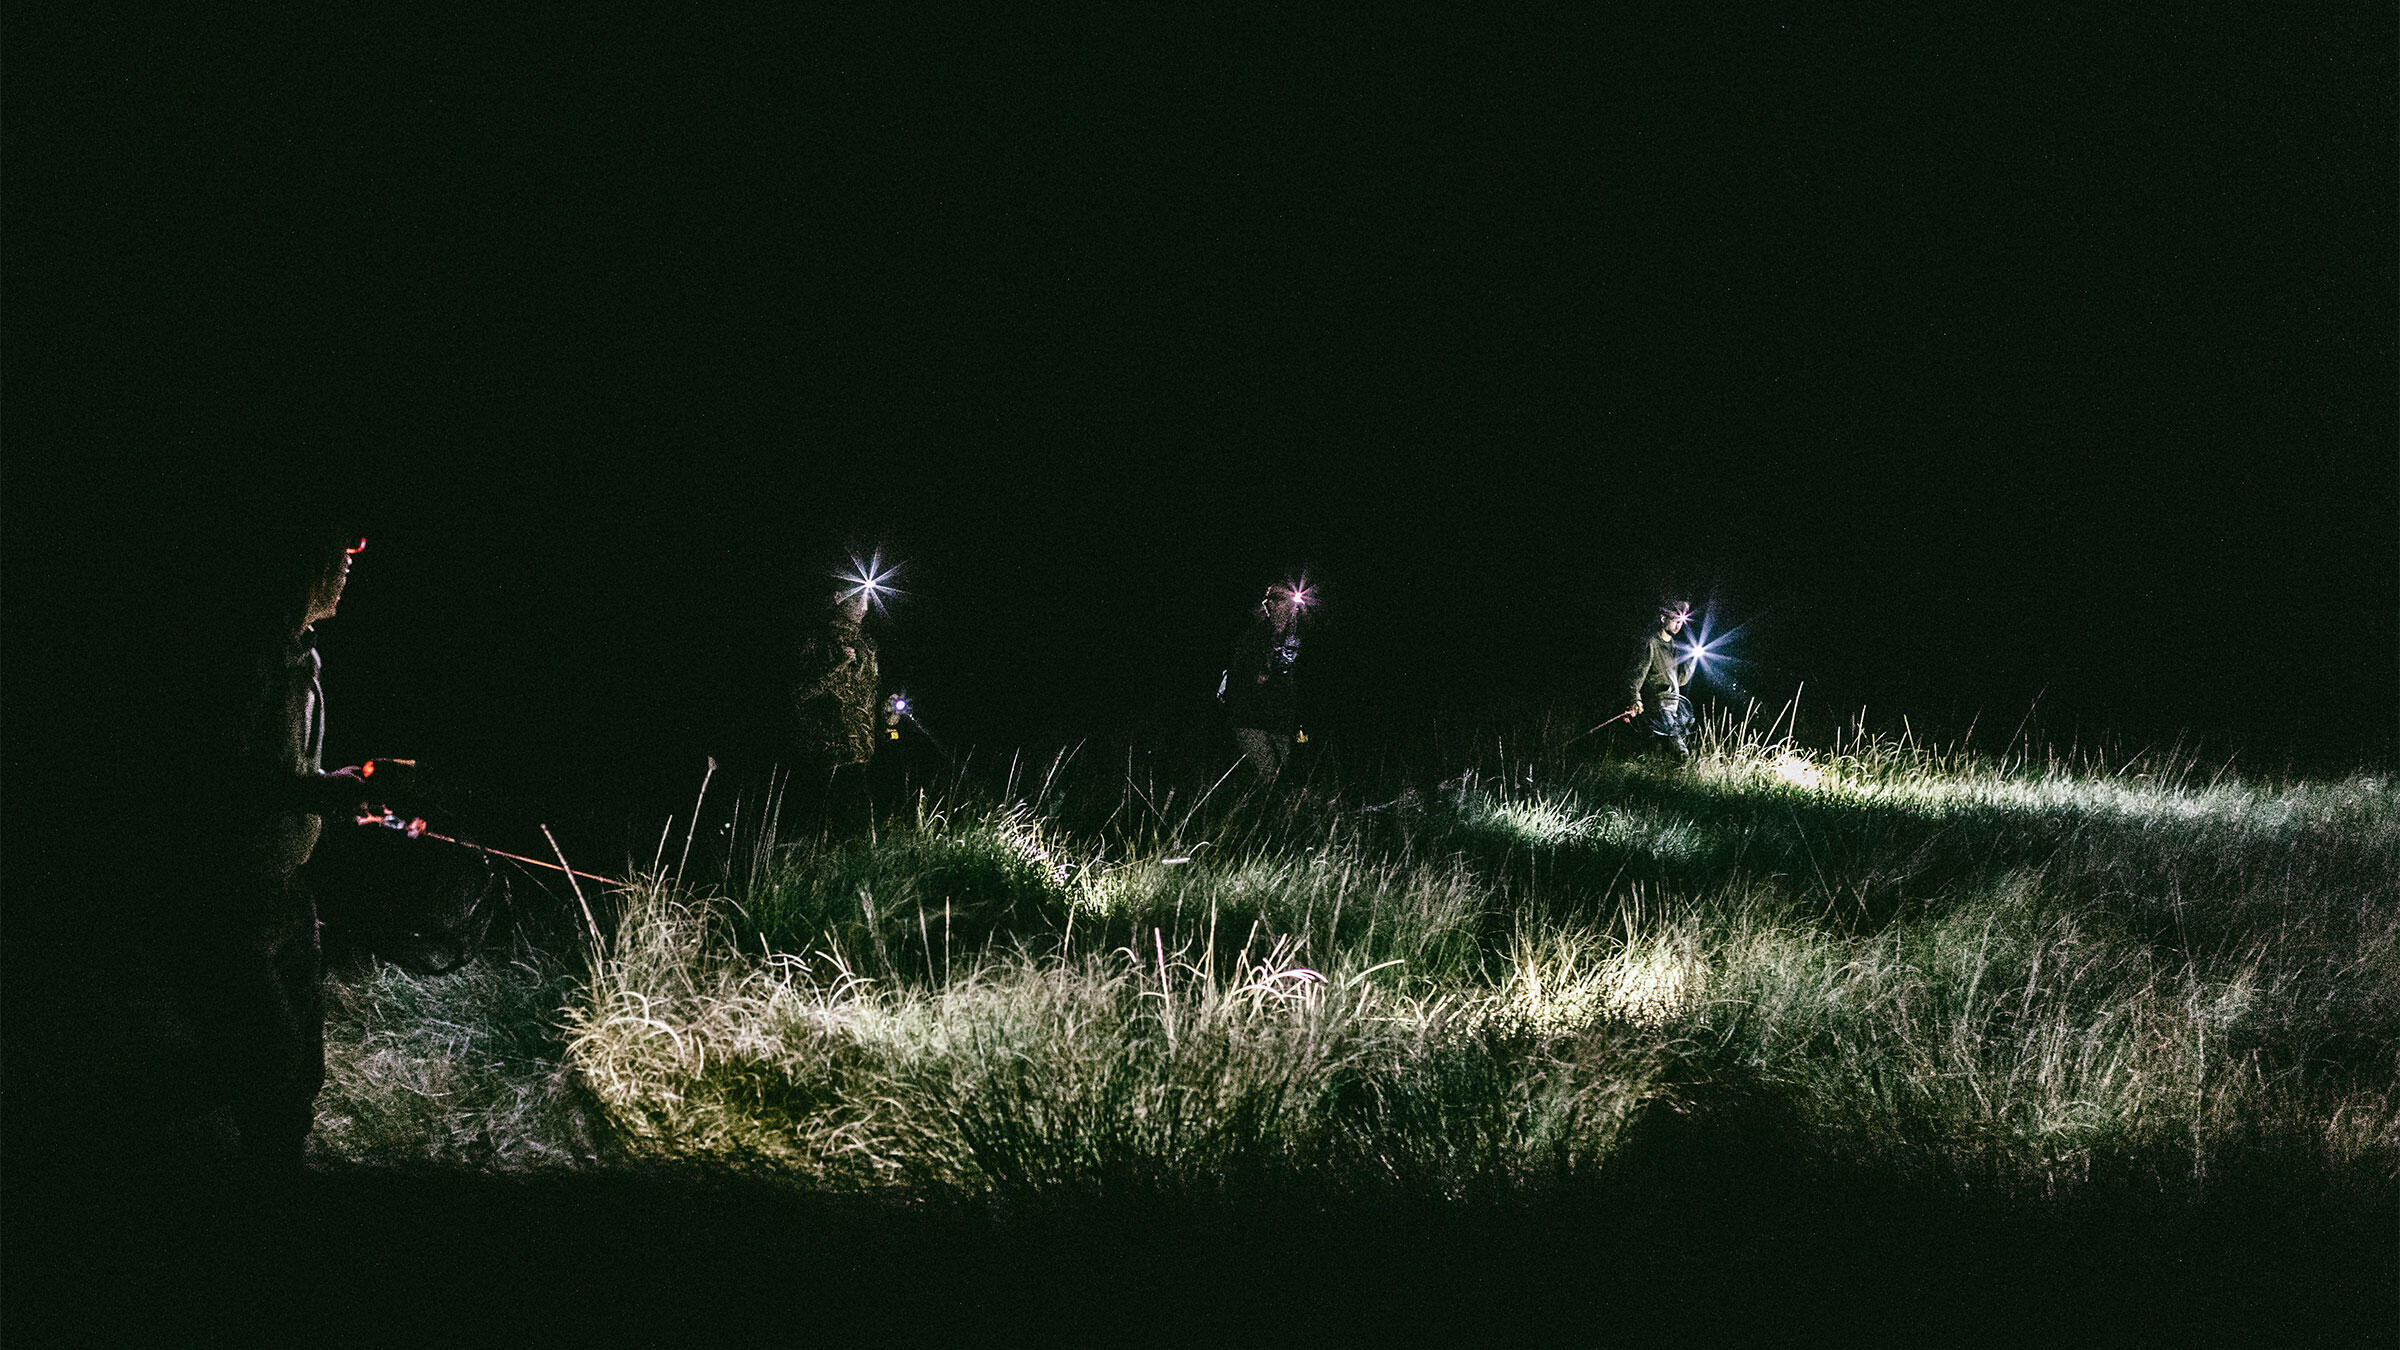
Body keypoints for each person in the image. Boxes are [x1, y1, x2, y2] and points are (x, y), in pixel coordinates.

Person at [180, 523, 385, 1167]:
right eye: (340, 552)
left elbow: (285, 773)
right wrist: (318, 792)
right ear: (302, 563)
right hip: (232, 893)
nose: (350, 563)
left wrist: (329, 791)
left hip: (287, 888)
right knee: (267, 1068)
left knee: (299, 1069)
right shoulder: (248, 660)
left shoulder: (303, 655)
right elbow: (218, 778)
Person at [789, 586, 880, 826]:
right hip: (825, 754)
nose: (864, 608)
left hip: (863, 752)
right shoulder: (816, 640)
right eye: (858, 600)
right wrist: (837, 667)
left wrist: (887, 715)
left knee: (861, 827)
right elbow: (799, 694)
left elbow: (870, 693)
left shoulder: (868, 644)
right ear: (840, 599)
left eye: (867, 600)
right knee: (822, 825)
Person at [1220, 582, 1306, 782]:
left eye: (1279, 599)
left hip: (1284, 720)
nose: (1270, 603)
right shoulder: (1253, 635)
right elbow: (1239, 673)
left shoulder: (1300, 633)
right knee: (1269, 773)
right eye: (1269, 599)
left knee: (1291, 773)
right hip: (1250, 717)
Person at [1623, 599, 1699, 758]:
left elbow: (1680, 680)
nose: (1678, 626)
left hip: (1672, 707)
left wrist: (1693, 659)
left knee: (1658, 754)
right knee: (1680, 752)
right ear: (1663, 619)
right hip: (1658, 705)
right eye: (1675, 621)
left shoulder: (1674, 646)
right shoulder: (1650, 643)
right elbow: (1636, 674)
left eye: (1681, 622)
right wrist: (1634, 699)